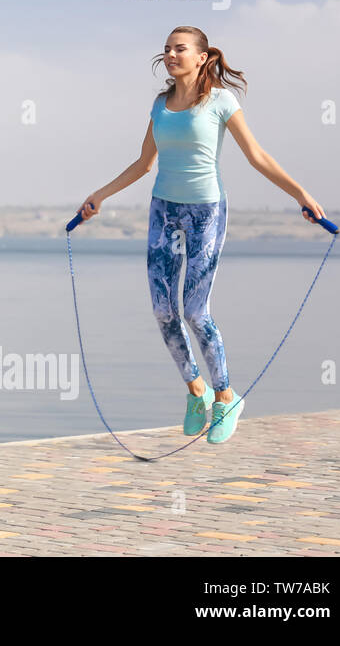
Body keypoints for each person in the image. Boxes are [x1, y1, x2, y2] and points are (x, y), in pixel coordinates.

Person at [77, 26, 326, 444]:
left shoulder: (221, 101)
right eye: (167, 49)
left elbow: (256, 156)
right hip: (164, 212)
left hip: (206, 212)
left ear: (201, 56)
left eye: (180, 48)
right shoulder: (160, 105)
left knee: (195, 311)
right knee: (162, 310)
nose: (171, 55)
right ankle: (197, 392)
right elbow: (143, 164)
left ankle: (225, 397)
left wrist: (300, 193)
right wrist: (99, 196)